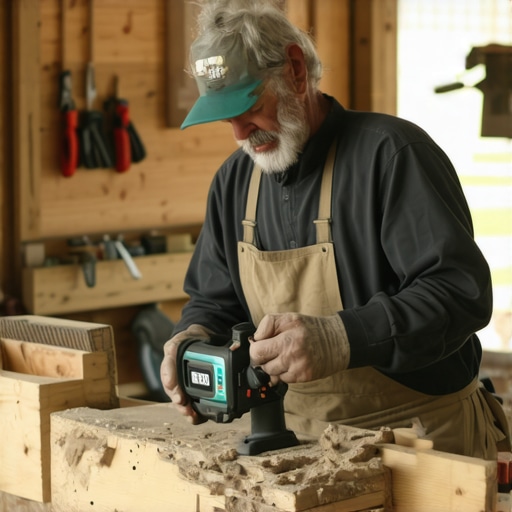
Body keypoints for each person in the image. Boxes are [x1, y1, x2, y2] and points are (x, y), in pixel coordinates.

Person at [160, 0, 510, 460]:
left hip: (421, 441)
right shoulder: (234, 182)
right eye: (226, 118)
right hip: (297, 448)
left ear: (296, 71)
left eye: (250, 106)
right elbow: (214, 298)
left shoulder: (392, 155)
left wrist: (344, 338)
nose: (240, 133)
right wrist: (191, 339)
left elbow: (459, 293)